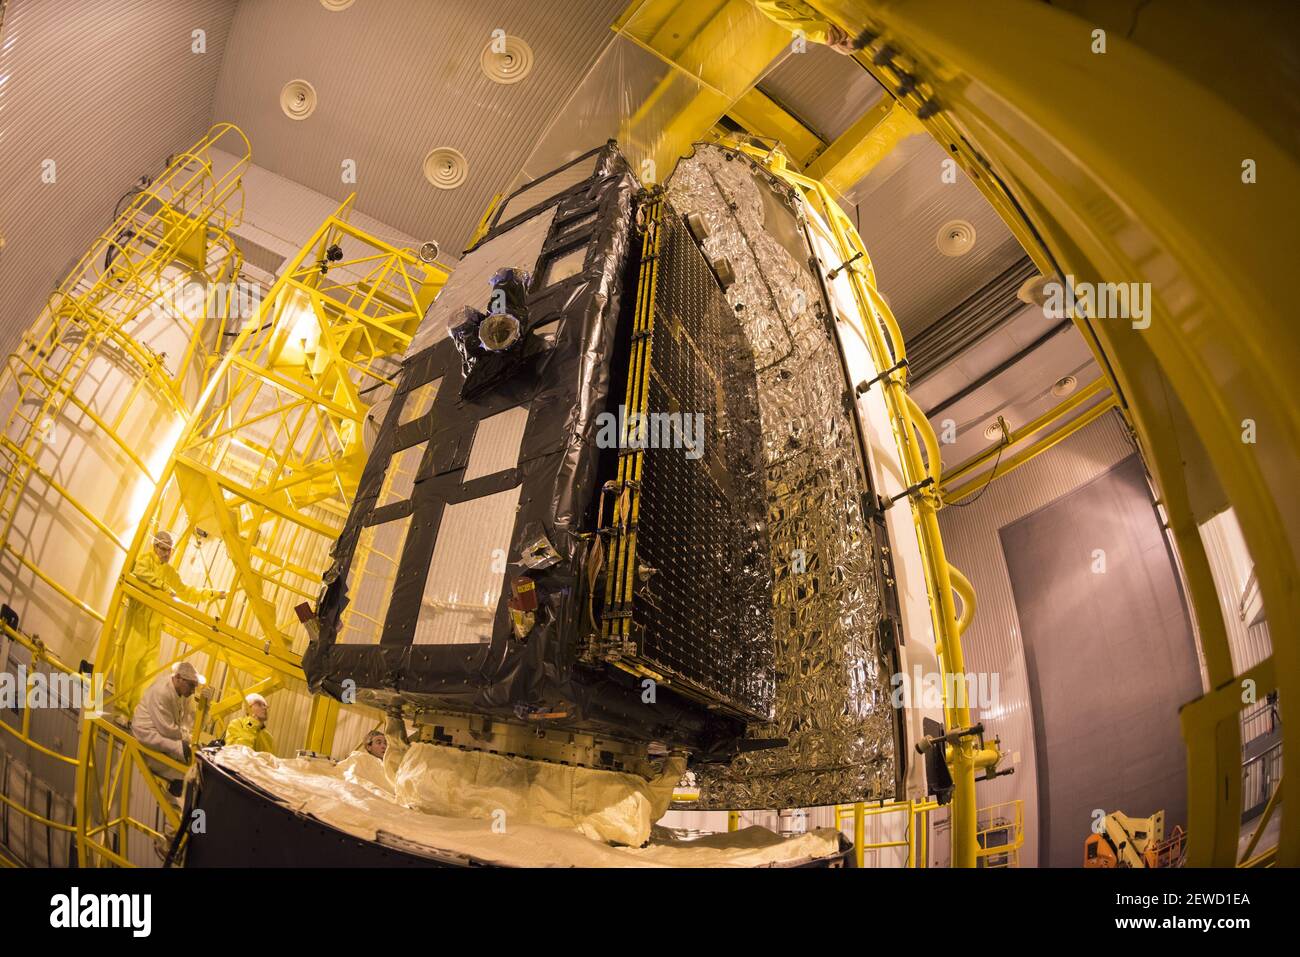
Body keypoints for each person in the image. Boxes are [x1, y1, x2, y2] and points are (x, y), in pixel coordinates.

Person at [111, 530, 225, 719]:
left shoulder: (169, 572)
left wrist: (212, 594)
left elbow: (186, 592)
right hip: (135, 629)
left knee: (145, 678)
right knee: (127, 671)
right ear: (155, 547)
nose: (166, 554)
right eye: (163, 549)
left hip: (154, 632)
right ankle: (121, 711)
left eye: (169, 550)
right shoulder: (145, 560)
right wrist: (164, 587)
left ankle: (134, 714)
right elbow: (140, 572)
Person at [132, 661, 201, 767]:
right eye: (191, 685)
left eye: (195, 687)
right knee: (182, 752)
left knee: (186, 751)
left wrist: (205, 706)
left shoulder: (181, 693)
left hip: (161, 731)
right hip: (146, 731)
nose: (193, 691)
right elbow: (166, 729)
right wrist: (186, 739)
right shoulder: (162, 691)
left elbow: (192, 718)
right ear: (178, 677)